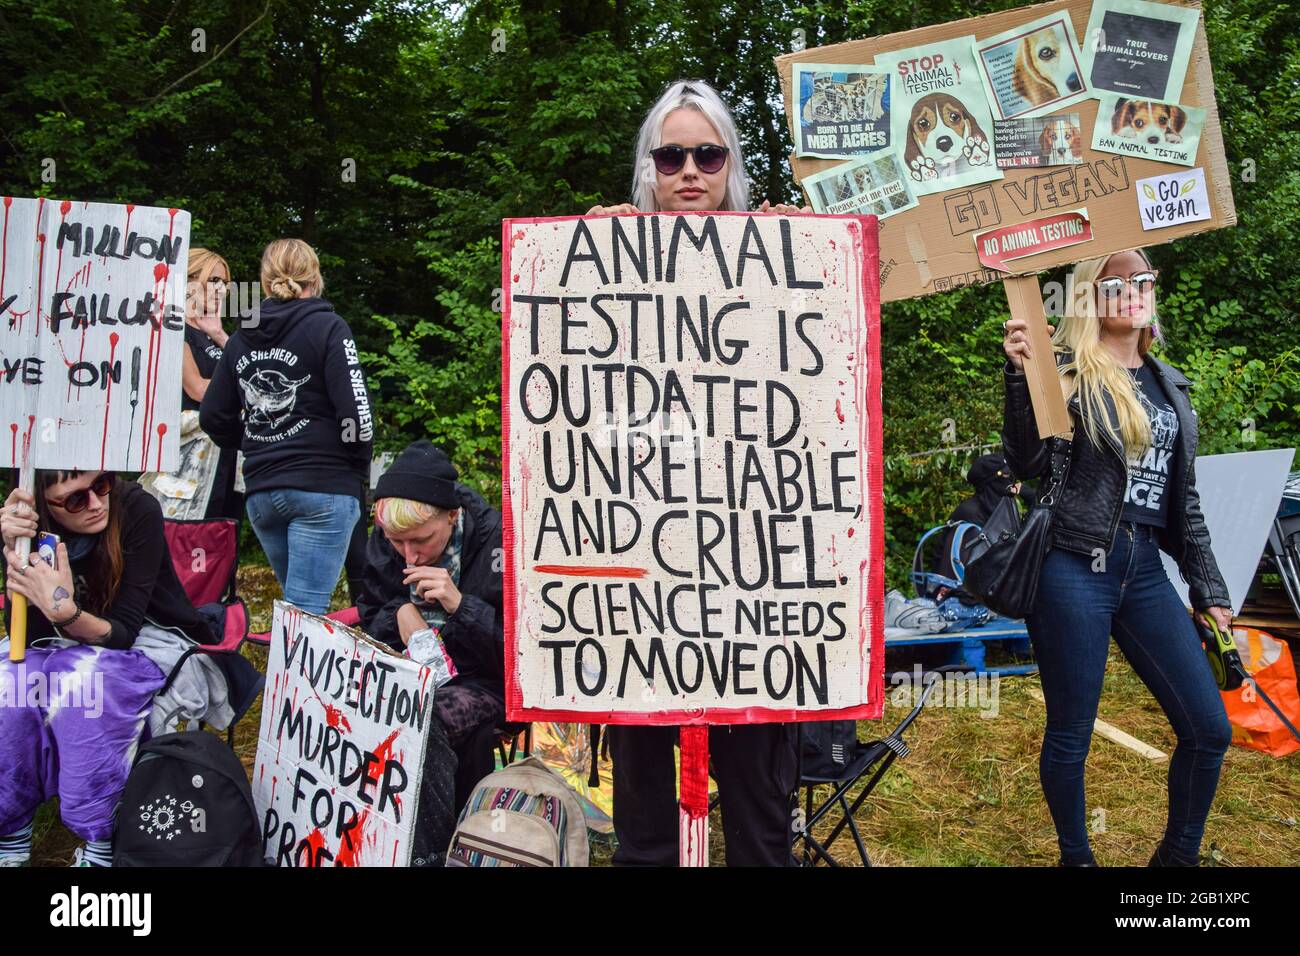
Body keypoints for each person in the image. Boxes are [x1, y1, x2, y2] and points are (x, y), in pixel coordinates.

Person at [585, 79, 808, 867]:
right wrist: (579, 262)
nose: (690, 170)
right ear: (648, 167)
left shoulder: (780, 256)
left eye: (707, 154)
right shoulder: (602, 256)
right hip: (644, 582)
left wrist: (807, 256)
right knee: (644, 820)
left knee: (759, 815)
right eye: (671, 154)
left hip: (755, 578)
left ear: (729, 166)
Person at [1001, 247, 1234, 867]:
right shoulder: (1070, 371)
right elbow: (1026, 463)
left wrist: (1210, 591)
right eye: (1115, 283)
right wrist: (1021, 377)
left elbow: (1184, 501)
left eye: (1143, 279)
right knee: (1073, 733)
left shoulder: (1169, 385)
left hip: (1146, 566)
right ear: (1088, 298)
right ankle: (1076, 859)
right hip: (1074, 564)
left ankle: (1176, 861)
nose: (1133, 289)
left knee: (1209, 729)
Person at [0, 471, 219, 867]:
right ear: (45, 505)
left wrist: (64, 610)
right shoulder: (27, 525)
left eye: (100, 485)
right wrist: (13, 550)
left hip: (145, 637)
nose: (97, 503)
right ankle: (11, 829)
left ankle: (99, 836)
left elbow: (122, 632)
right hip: (63, 637)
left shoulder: (136, 507)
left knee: (86, 687)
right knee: (10, 684)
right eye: (75, 500)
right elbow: (30, 637)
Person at [200, 239, 374, 615]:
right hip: (323, 485)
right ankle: (288, 676)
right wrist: (357, 470)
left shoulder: (242, 337)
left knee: (297, 609)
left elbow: (213, 415)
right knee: (305, 615)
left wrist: (255, 445)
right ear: (315, 278)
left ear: (265, 284)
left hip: (263, 492)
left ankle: (287, 672)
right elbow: (357, 412)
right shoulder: (329, 327)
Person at [139, 247, 242, 520]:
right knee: (184, 540)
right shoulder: (173, 328)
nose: (221, 290)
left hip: (226, 457)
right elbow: (196, 388)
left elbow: (252, 375)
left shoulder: (213, 334)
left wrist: (220, 334)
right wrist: (240, 391)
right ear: (190, 280)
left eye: (225, 283)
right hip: (188, 462)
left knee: (221, 538)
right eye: (214, 280)